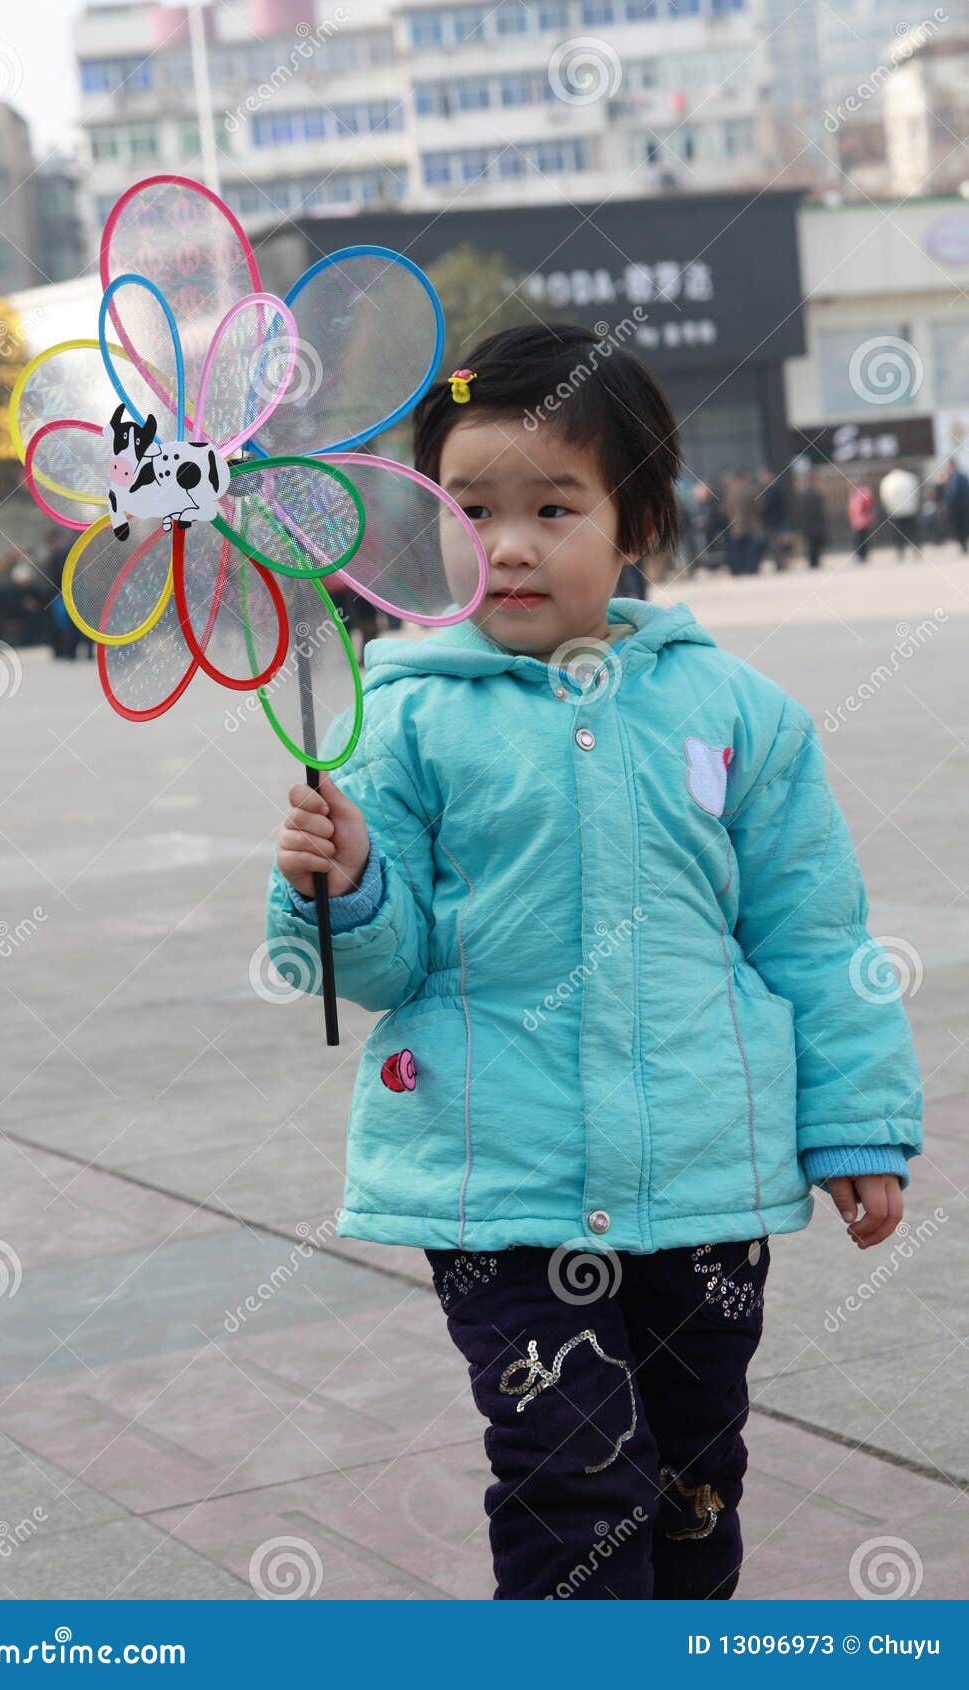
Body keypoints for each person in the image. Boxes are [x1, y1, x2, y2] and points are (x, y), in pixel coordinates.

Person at [265, 323, 922, 1602]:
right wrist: (340, 888)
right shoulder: (396, 718)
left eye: (552, 507)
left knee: (691, 1478)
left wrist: (853, 1121)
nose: (506, 545)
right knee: (571, 1479)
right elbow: (384, 967)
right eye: (469, 510)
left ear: (639, 523)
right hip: (497, 1187)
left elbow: (813, 935)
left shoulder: (737, 714)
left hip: (701, 1182)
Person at [878, 464, 921, 559]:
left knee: (898, 534)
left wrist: (888, 509)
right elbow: (916, 493)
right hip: (910, 509)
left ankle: (900, 551)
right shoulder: (910, 477)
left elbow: (885, 496)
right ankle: (915, 549)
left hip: (896, 511)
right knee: (912, 532)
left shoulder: (888, 480)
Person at [723, 469, 759, 577]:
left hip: (735, 525)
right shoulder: (751, 490)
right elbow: (758, 507)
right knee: (749, 548)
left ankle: (737, 569)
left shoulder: (731, 492)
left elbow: (726, 509)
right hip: (749, 524)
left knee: (737, 549)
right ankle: (750, 568)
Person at [795, 472, 828, 570]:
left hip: (812, 524)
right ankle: (813, 562)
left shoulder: (809, 494)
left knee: (814, 544)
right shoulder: (810, 495)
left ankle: (814, 562)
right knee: (812, 544)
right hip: (811, 523)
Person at [942, 458, 969, 553]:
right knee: (957, 526)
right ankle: (962, 544)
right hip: (953, 508)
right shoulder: (949, 478)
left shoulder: (961, 476)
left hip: (962, 506)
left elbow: (965, 492)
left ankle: (964, 543)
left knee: (963, 525)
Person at [847, 479, 877, 563]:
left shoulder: (864, 492)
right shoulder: (853, 493)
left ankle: (863, 555)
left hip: (863, 519)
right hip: (856, 520)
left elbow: (867, 505)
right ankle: (860, 555)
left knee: (863, 538)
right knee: (858, 538)